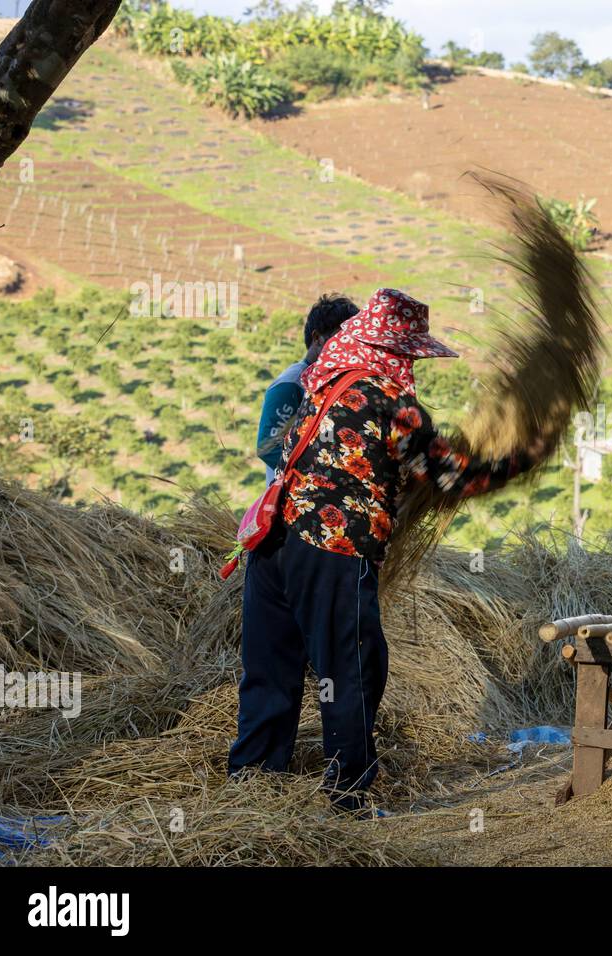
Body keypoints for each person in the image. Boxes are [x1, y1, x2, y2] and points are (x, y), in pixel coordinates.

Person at [228, 288, 546, 814]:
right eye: (407, 355)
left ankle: (251, 788)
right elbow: (448, 477)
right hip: (331, 550)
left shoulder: (323, 382)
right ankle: (348, 796)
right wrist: (518, 461)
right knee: (351, 668)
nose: (409, 365)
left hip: (272, 543)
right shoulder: (393, 405)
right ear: (392, 351)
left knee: (270, 667)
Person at [256, 293, 359, 485]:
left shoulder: (337, 381)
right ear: (317, 338)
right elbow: (267, 446)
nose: (348, 348)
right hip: (294, 501)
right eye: (341, 340)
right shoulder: (290, 385)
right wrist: (315, 479)